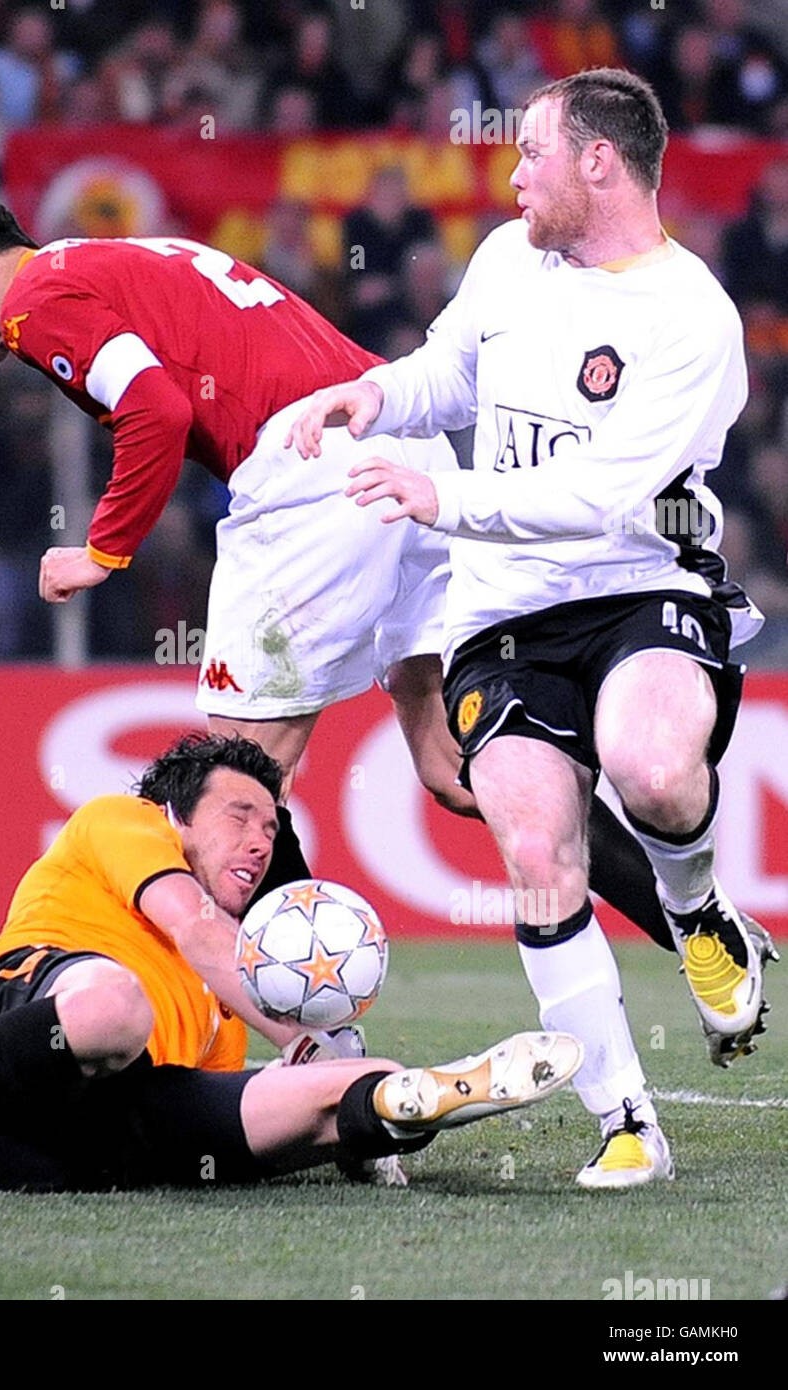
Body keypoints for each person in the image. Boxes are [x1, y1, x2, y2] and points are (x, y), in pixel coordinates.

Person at [0, 183, 714, 962]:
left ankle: (319, 1041)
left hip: (311, 468)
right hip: (391, 442)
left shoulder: (36, 304)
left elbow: (153, 409)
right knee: (456, 768)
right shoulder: (103, 261)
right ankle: (698, 928)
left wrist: (101, 550)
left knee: (232, 785)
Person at [287, 69, 777, 1187]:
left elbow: (604, 498)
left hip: (641, 580)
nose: (513, 177)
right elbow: (448, 373)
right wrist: (378, 396)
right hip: (504, 609)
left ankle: (699, 913)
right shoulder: (509, 260)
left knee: (655, 773)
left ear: (598, 162)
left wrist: (442, 502)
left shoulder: (692, 317)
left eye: (531, 155)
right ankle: (626, 1120)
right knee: (536, 844)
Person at [0, 734, 582, 1205]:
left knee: (325, 1091)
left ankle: (407, 1100)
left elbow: (228, 1086)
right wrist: (301, 1030)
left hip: (76, 1150)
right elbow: (190, 933)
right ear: (177, 816)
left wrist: (337, 1092)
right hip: (16, 1026)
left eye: (273, 831)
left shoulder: (232, 1001)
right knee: (118, 1005)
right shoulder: (125, 821)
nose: (261, 843)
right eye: (240, 817)